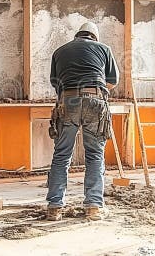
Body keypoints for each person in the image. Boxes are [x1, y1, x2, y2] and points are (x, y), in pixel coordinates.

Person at [45, 21, 119, 221]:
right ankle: (93, 207)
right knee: (95, 154)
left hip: (67, 102)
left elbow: (56, 83)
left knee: (61, 155)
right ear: (94, 37)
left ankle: (54, 207)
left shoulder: (59, 52)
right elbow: (112, 81)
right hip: (95, 101)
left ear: (78, 35)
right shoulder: (104, 49)